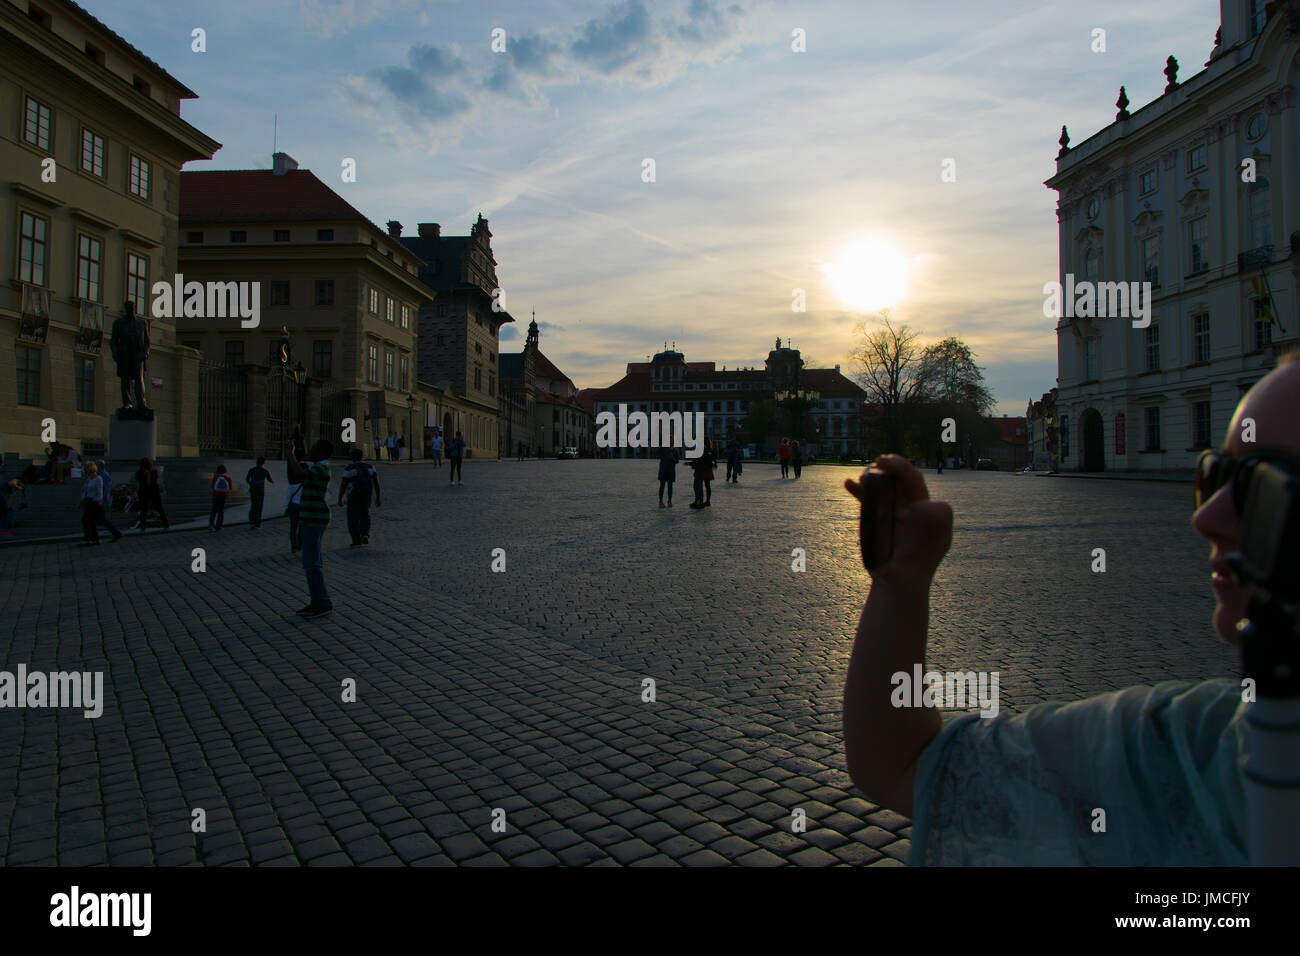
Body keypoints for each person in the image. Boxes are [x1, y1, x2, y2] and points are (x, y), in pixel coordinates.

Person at [841, 352, 1300, 866]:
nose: (1206, 518)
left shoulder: (1186, 752)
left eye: (1262, 485)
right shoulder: (1182, 744)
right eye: (1215, 476)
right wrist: (901, 587)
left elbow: (905, 768)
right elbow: (907, 766)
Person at [287, 439, 333, 616]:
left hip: (315, 519)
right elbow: (293, 478)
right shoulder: (316, 468)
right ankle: (318, 599)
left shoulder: (320, 468)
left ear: (320, 452)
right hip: (311, 518)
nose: (310, 450)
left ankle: (321, 601)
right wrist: (290, 458)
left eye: (313, 448)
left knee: (311, 562)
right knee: (312, 561)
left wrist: (291, 454)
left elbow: (298, 476)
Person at [338, 448, 381, 546]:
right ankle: (365, 534)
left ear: (352, 457)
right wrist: (378, 497)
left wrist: (340, 498)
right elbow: (376, 483)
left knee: (352, 518)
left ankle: (356, 540)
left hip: (353, 496)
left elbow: (343, 484)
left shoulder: (349, 469)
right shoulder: (370, 467)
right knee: (365, 514)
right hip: (366, 495)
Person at [78, 463, 119, 544]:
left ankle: (90, 538)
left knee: (88, 520)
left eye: (86, 470)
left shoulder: (98, 478)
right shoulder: (89, 479)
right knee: (92, 521)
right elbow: (85, 491)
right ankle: (94, 539)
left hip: (94, 502)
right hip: (88, 501)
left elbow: (100, 491)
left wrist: (99, 501)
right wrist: (81, 501)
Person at [133, 458, 169, 531]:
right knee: (158, 508)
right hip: (153, 492)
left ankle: (143, 525)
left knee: (144, 510)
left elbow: (139, 482)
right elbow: (154, 482)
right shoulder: (153, 472)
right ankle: (165, 523)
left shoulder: (140, 472)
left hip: (145, 492)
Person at [94, 459, 123, 540]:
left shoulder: (104, 475)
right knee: (100, 519)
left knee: (102, 519)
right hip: (98, 500)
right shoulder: (100, 475)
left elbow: (106, 489)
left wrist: (104, 500)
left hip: (100, 500)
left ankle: (116, 533)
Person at [245, 456, 274, 531]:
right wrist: (273, 482)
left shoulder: (251, 470)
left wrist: (251, 484)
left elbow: (247, 479)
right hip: (260, 491)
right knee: (259, 507)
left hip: (253, 490)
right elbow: (270, 479)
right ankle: (257, 524)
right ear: (263, 463)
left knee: (253, 506)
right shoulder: (265, 471)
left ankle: (251, 523)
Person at [688, 438, 716, 509]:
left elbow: (699, 460)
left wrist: (692, 464)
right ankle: (704, 501)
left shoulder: (703, 449)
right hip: (706, 469)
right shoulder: (708, 449)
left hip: (703, 469)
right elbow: (713, 458)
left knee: (699, 485)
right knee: (704, 485)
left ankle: (700, 501)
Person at [209, 465, 232, 531]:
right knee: (221, 512)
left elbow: (212, 487)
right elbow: (230, 488)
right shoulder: (228, 478)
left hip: (215, 496)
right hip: (223, 496)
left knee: (213, 511)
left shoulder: (215, 478)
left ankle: (211, 525)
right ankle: (219, 526)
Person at [285, 474, 303, 553]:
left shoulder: (293, 483)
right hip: (303, 506)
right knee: (302, 526)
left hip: (294, 505)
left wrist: (286, 507)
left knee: (293, 527)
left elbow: (288, 496)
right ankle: (300, 544)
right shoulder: (307, 483)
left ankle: (294, 545)